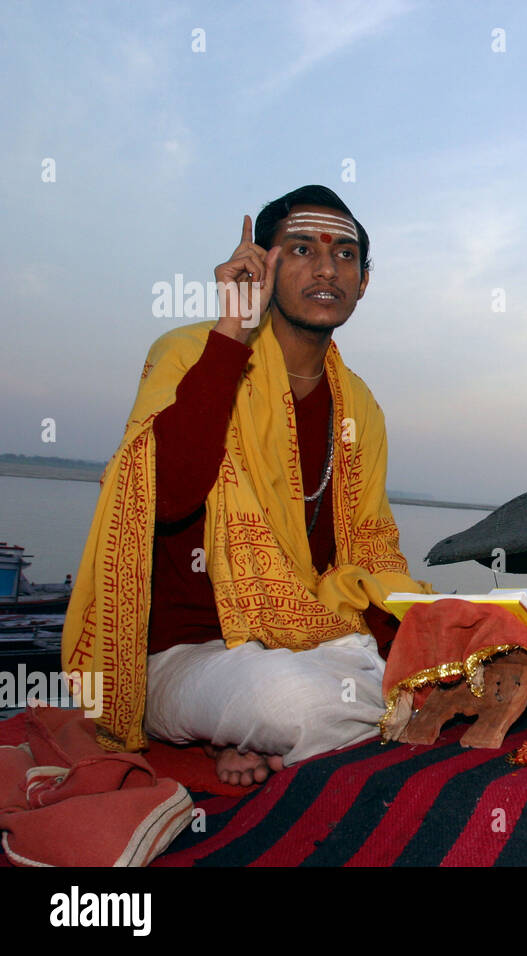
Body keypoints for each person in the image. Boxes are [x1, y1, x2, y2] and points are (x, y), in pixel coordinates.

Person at [63, 186, 431, 786]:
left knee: (433, 664)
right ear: (263, 265)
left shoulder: (359, 405)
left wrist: (427, 642)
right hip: (187, 656)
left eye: (344, 255)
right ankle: (315, 724)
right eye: (302, 248)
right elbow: (169, 495)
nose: (325, 268)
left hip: (314, 641)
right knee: (292, 703)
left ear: (364, 281)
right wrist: (233, 333)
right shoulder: (190, 352)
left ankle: (325, 725)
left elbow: (369, 552)